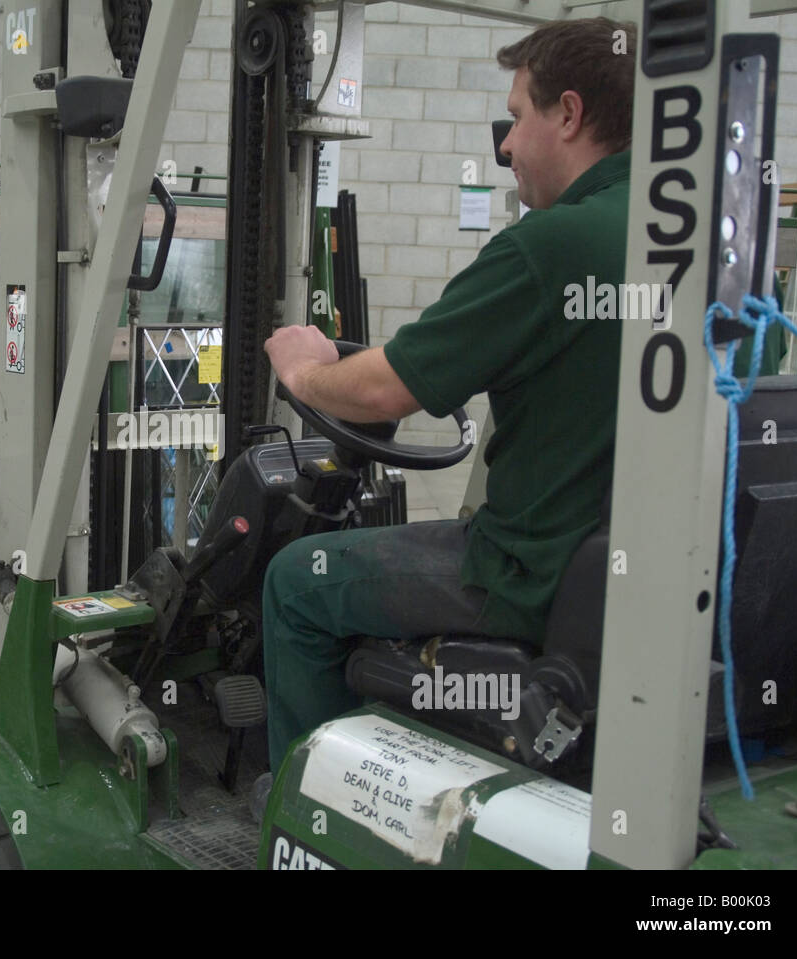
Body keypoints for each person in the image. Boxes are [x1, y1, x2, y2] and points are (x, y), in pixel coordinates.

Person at [257, 17, 638, 779]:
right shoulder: (687, 240)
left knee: (298, 581)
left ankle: (308, 800)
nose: (505, 145)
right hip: (631, 576)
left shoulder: (552, 246)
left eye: (519, 115)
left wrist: (303, 374)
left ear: (568, 114)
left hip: (527, 574)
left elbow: (388, 386)